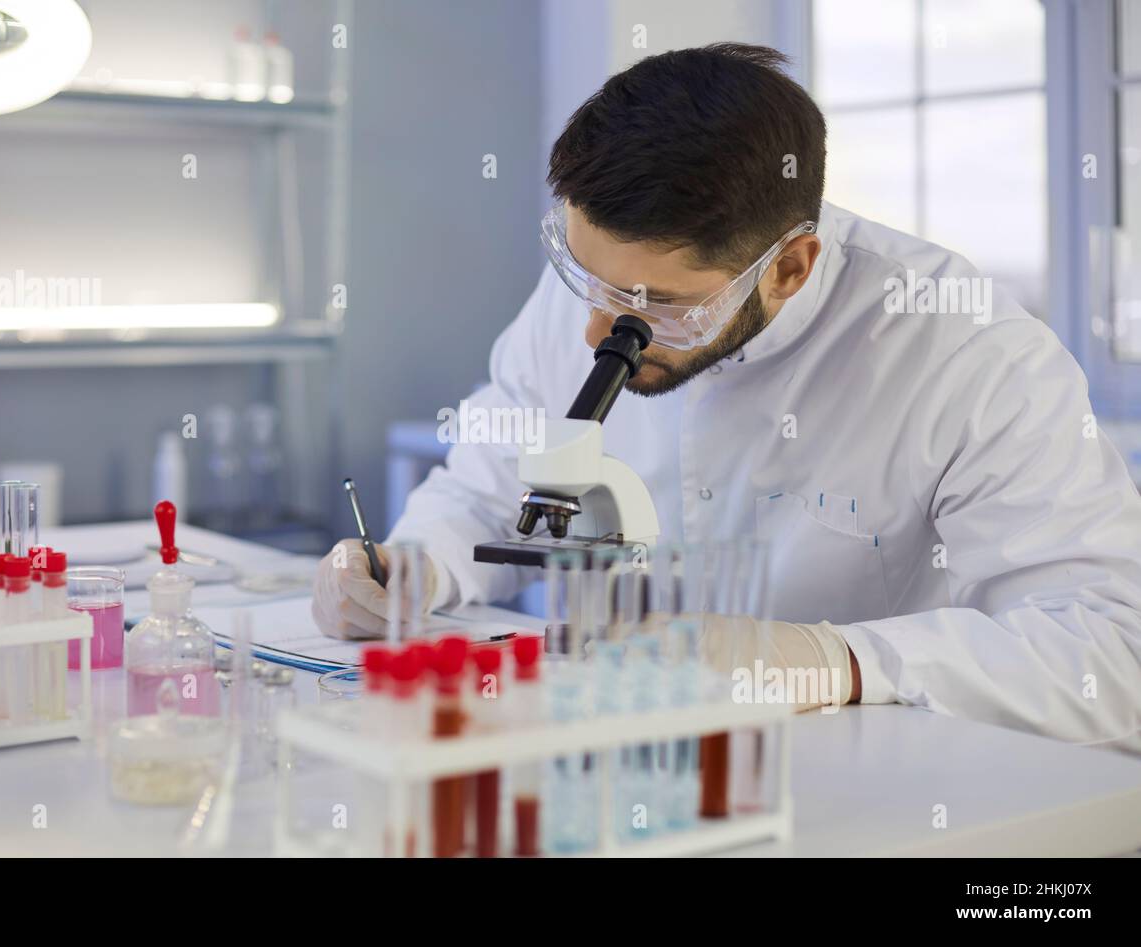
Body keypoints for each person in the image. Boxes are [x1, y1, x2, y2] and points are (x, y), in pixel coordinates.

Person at [312, 44, 1141, 751]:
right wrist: (408, 567)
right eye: (582, 273)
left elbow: (1110, 652)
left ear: (789, 267)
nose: (596, 329)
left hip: (863, 796)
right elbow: (487, 490)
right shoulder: (610, 280)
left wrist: (837, 661)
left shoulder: (968, 353)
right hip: (604, 763)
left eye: (657, 305)